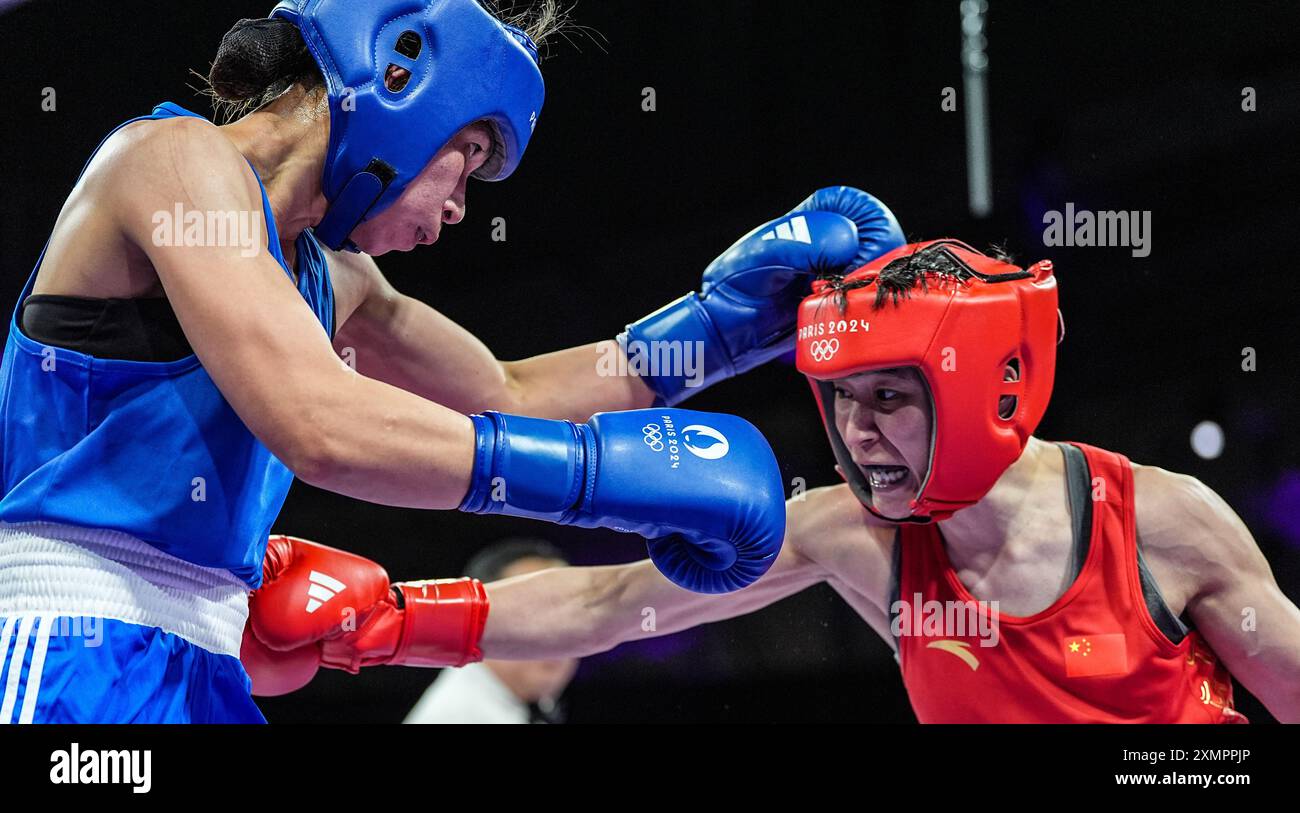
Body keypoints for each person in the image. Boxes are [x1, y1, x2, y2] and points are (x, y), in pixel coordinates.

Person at [0, 0, 905, 722]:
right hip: (69, 636)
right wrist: (602, 481)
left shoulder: (337, 277)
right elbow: (318, 423)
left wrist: (721, 329)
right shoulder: (169, 161)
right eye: (466, 159)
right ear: (399, 79)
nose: (462, 206)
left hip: (202, 663)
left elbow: (511, 392)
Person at [256, 241, 1300, 722]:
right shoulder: (855, 534)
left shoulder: (1164, 523)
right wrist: (391, 622)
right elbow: (612, 606)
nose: (857, 432)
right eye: (839, 400)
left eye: (887, 398)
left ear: (991, 388)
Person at [403, 539, 576, 724]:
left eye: (571, 610)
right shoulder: (460, 716)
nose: (559, 631)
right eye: (536, 610)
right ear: (481, 619)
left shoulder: (530, 702)